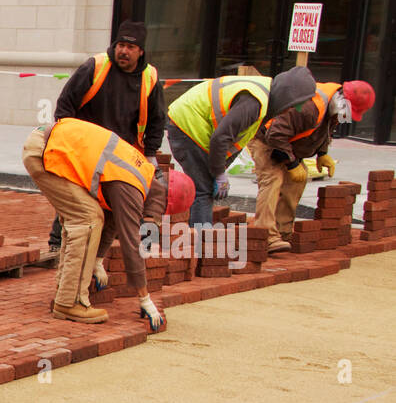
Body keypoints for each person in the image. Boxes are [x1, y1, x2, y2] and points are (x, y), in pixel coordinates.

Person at [23, 118, 192, 329]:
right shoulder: (131, 188)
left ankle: (64, 290)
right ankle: (70, 302)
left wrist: (98, 260)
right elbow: (131, 244)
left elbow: (112, 220)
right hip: (46, 150)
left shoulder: (143, 174)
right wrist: (144, 298)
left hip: (48, 142)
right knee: (88, 219)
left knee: (86, 216)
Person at [47, 20, 164, 253]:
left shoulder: (149, 78)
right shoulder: (96, 66)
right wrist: (66, 138)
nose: (123, 51)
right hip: (85, 147)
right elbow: (64, 105)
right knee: (74, 196)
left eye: (130, 47)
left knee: (112, 198)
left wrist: (150, 154)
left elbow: (157, 119)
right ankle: (57, 243)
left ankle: (102, 249)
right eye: (120, 45)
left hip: (120, 150)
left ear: (141, 51)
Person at [165, 68, 316, 236]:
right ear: (287, 97)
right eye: (293, 105)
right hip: (187, 125)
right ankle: (201, 248)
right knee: (203, 190)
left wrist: (218, 170)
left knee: (204, 188)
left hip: (195, 127)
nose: (291, 111)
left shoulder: (265, 99)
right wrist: (218, 173)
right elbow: (220, 138)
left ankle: (199, 244)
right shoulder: (254, 102)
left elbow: (231, 140)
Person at [248, 80, 375, 253]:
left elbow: (326, 129)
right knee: (273, 178)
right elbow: (275, 135)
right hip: (264, 138)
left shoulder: (334, 105)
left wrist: (322, 153)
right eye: (348, 111)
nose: (346, 116)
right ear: (341, 101)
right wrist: (292, 164)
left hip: (286, 142)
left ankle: (283, 232)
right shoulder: (309, 106)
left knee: (298, 180)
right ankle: (265, 234)